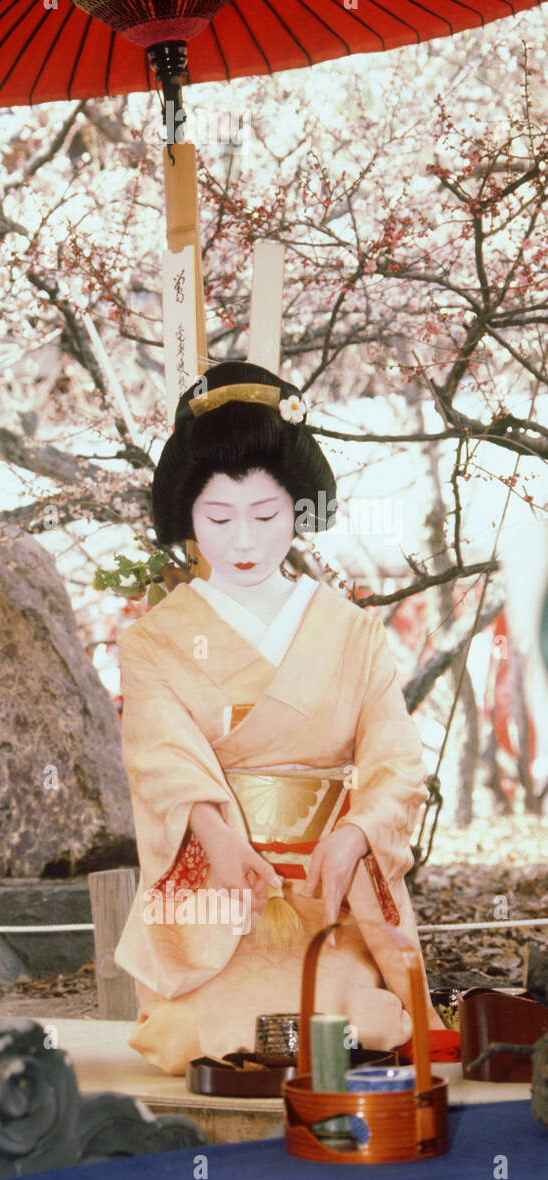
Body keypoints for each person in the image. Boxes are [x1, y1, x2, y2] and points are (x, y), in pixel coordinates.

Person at [115, 361, 444, 1074]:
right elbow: (160, 763)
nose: (241, 542)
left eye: (266, 516)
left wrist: (355, 834)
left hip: (328, 900)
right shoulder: (153, 641)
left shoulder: (349, 632)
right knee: (200, 1027)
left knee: (349, 1010)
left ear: (298, 510)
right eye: (216, 517)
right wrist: (214, 838)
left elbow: (395, 762)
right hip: (217, 901)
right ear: (185, 516)